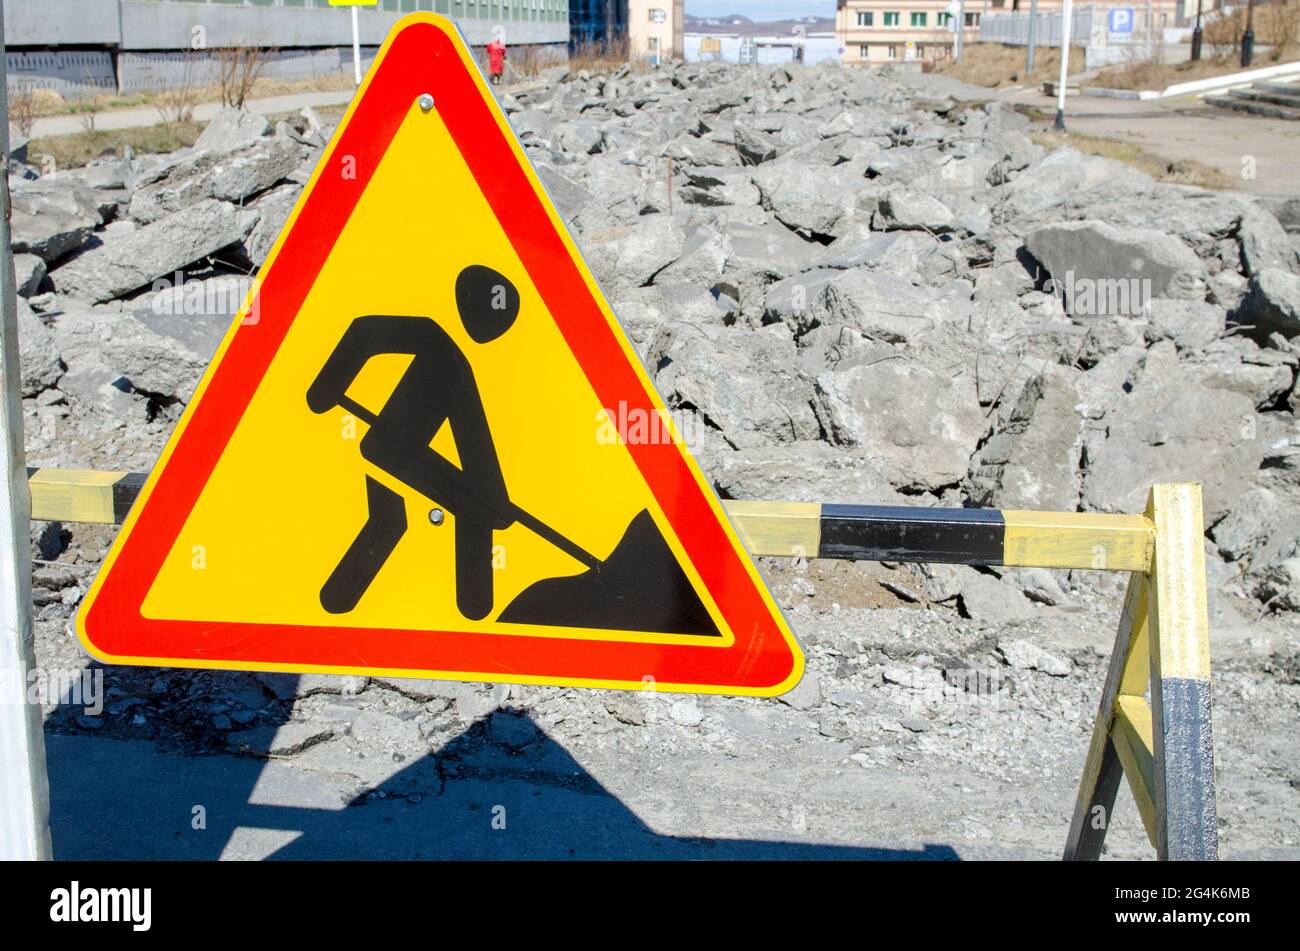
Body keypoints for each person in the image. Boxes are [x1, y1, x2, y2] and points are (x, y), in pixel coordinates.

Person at [307, 266, 521, 621]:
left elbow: (472, 435)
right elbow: (365, 333)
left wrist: (491, 498)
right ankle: (475, 603)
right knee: (450, 509)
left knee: (395, 519)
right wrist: (324, 389)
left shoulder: (455, 360)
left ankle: (474, 604)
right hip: (392, 447)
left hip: (394, 450)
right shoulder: (438, 343)